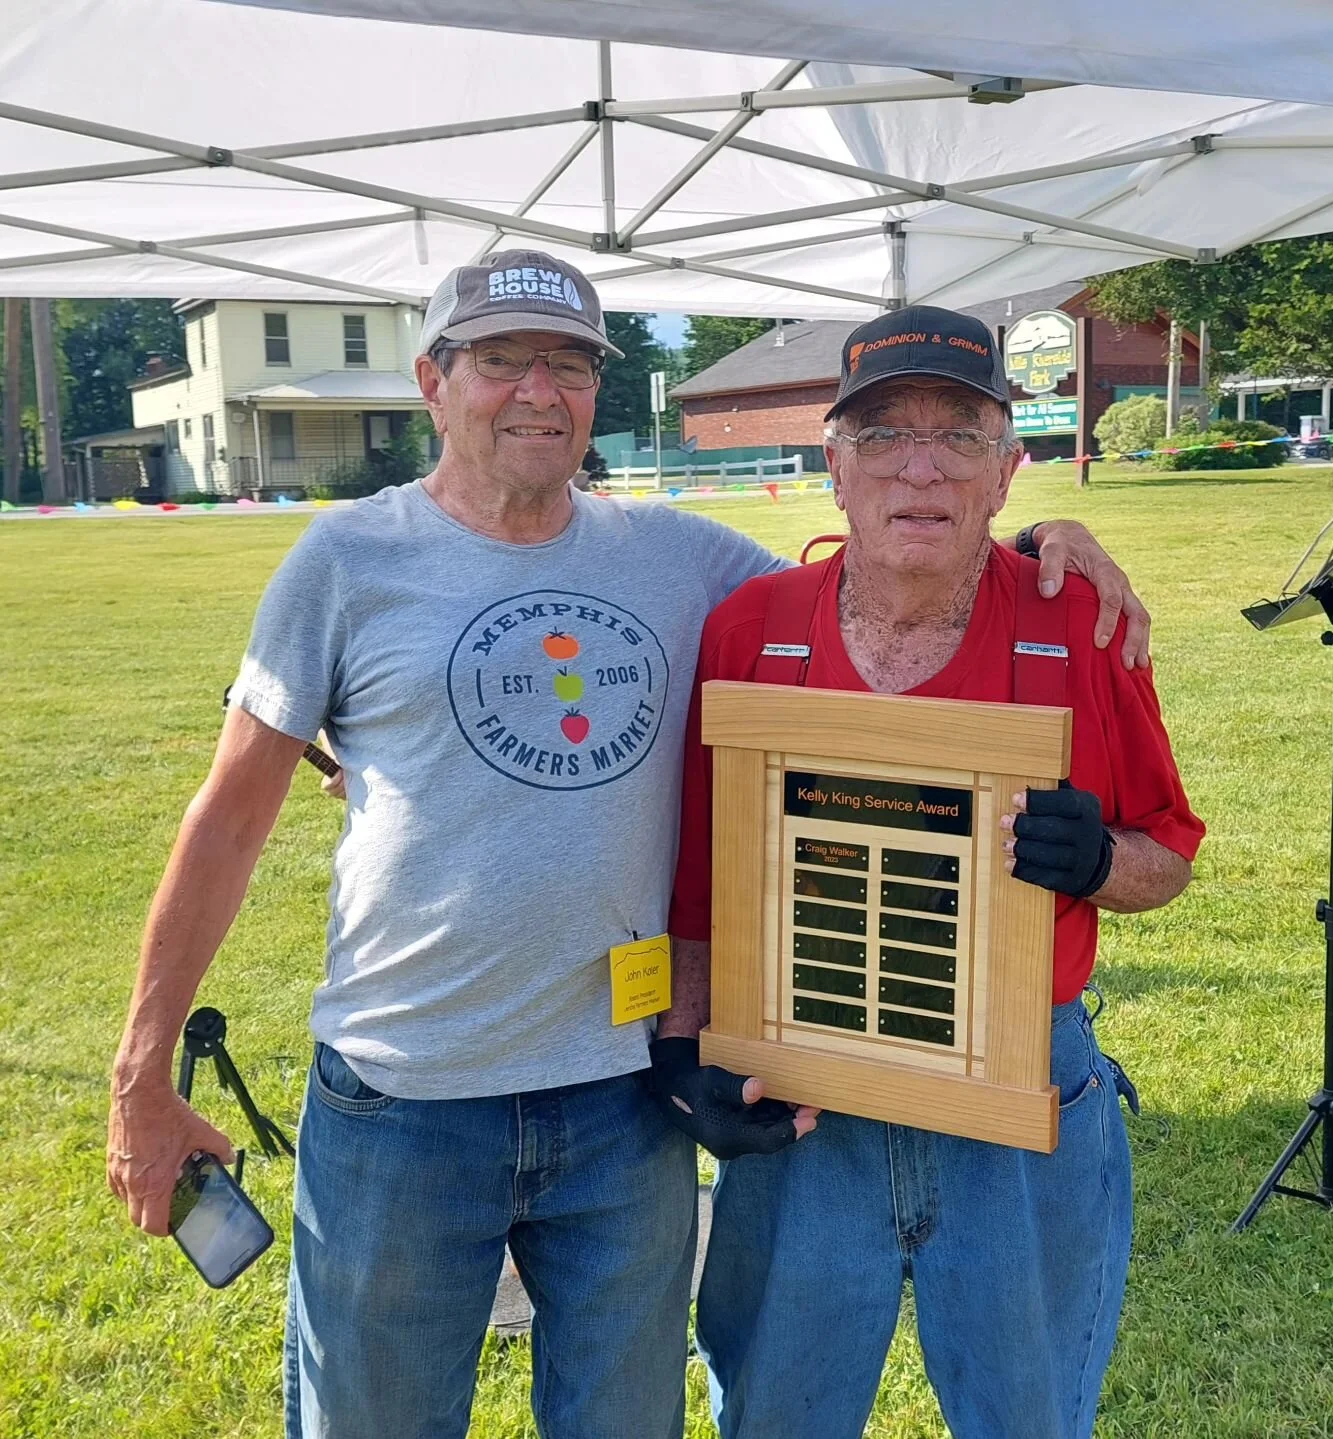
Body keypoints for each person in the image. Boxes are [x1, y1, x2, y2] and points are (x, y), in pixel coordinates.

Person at [106, 250, 1152, 1439]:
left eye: (570, 364)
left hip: (621, 1108)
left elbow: (894, 574)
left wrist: (1052, 550)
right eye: (502, 359)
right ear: (433, 381)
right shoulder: (344, 561)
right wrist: (140, 1077)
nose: (538, 391)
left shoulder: (677, 558)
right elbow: (227, 817)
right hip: (405, 1098)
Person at [666, 305, 1205, 1439]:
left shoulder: (1085, 627)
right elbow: (703, 889)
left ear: (1009, 469)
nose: (921, 466)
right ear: (834, 466)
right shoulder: (748, 628)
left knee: (1027, 1413)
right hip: (805, 1087)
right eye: (882, 434)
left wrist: (1101, 858)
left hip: (1018, 1087)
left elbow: (1168, 852)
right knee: (774, 1411)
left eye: (959, 436)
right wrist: (690, 1043)